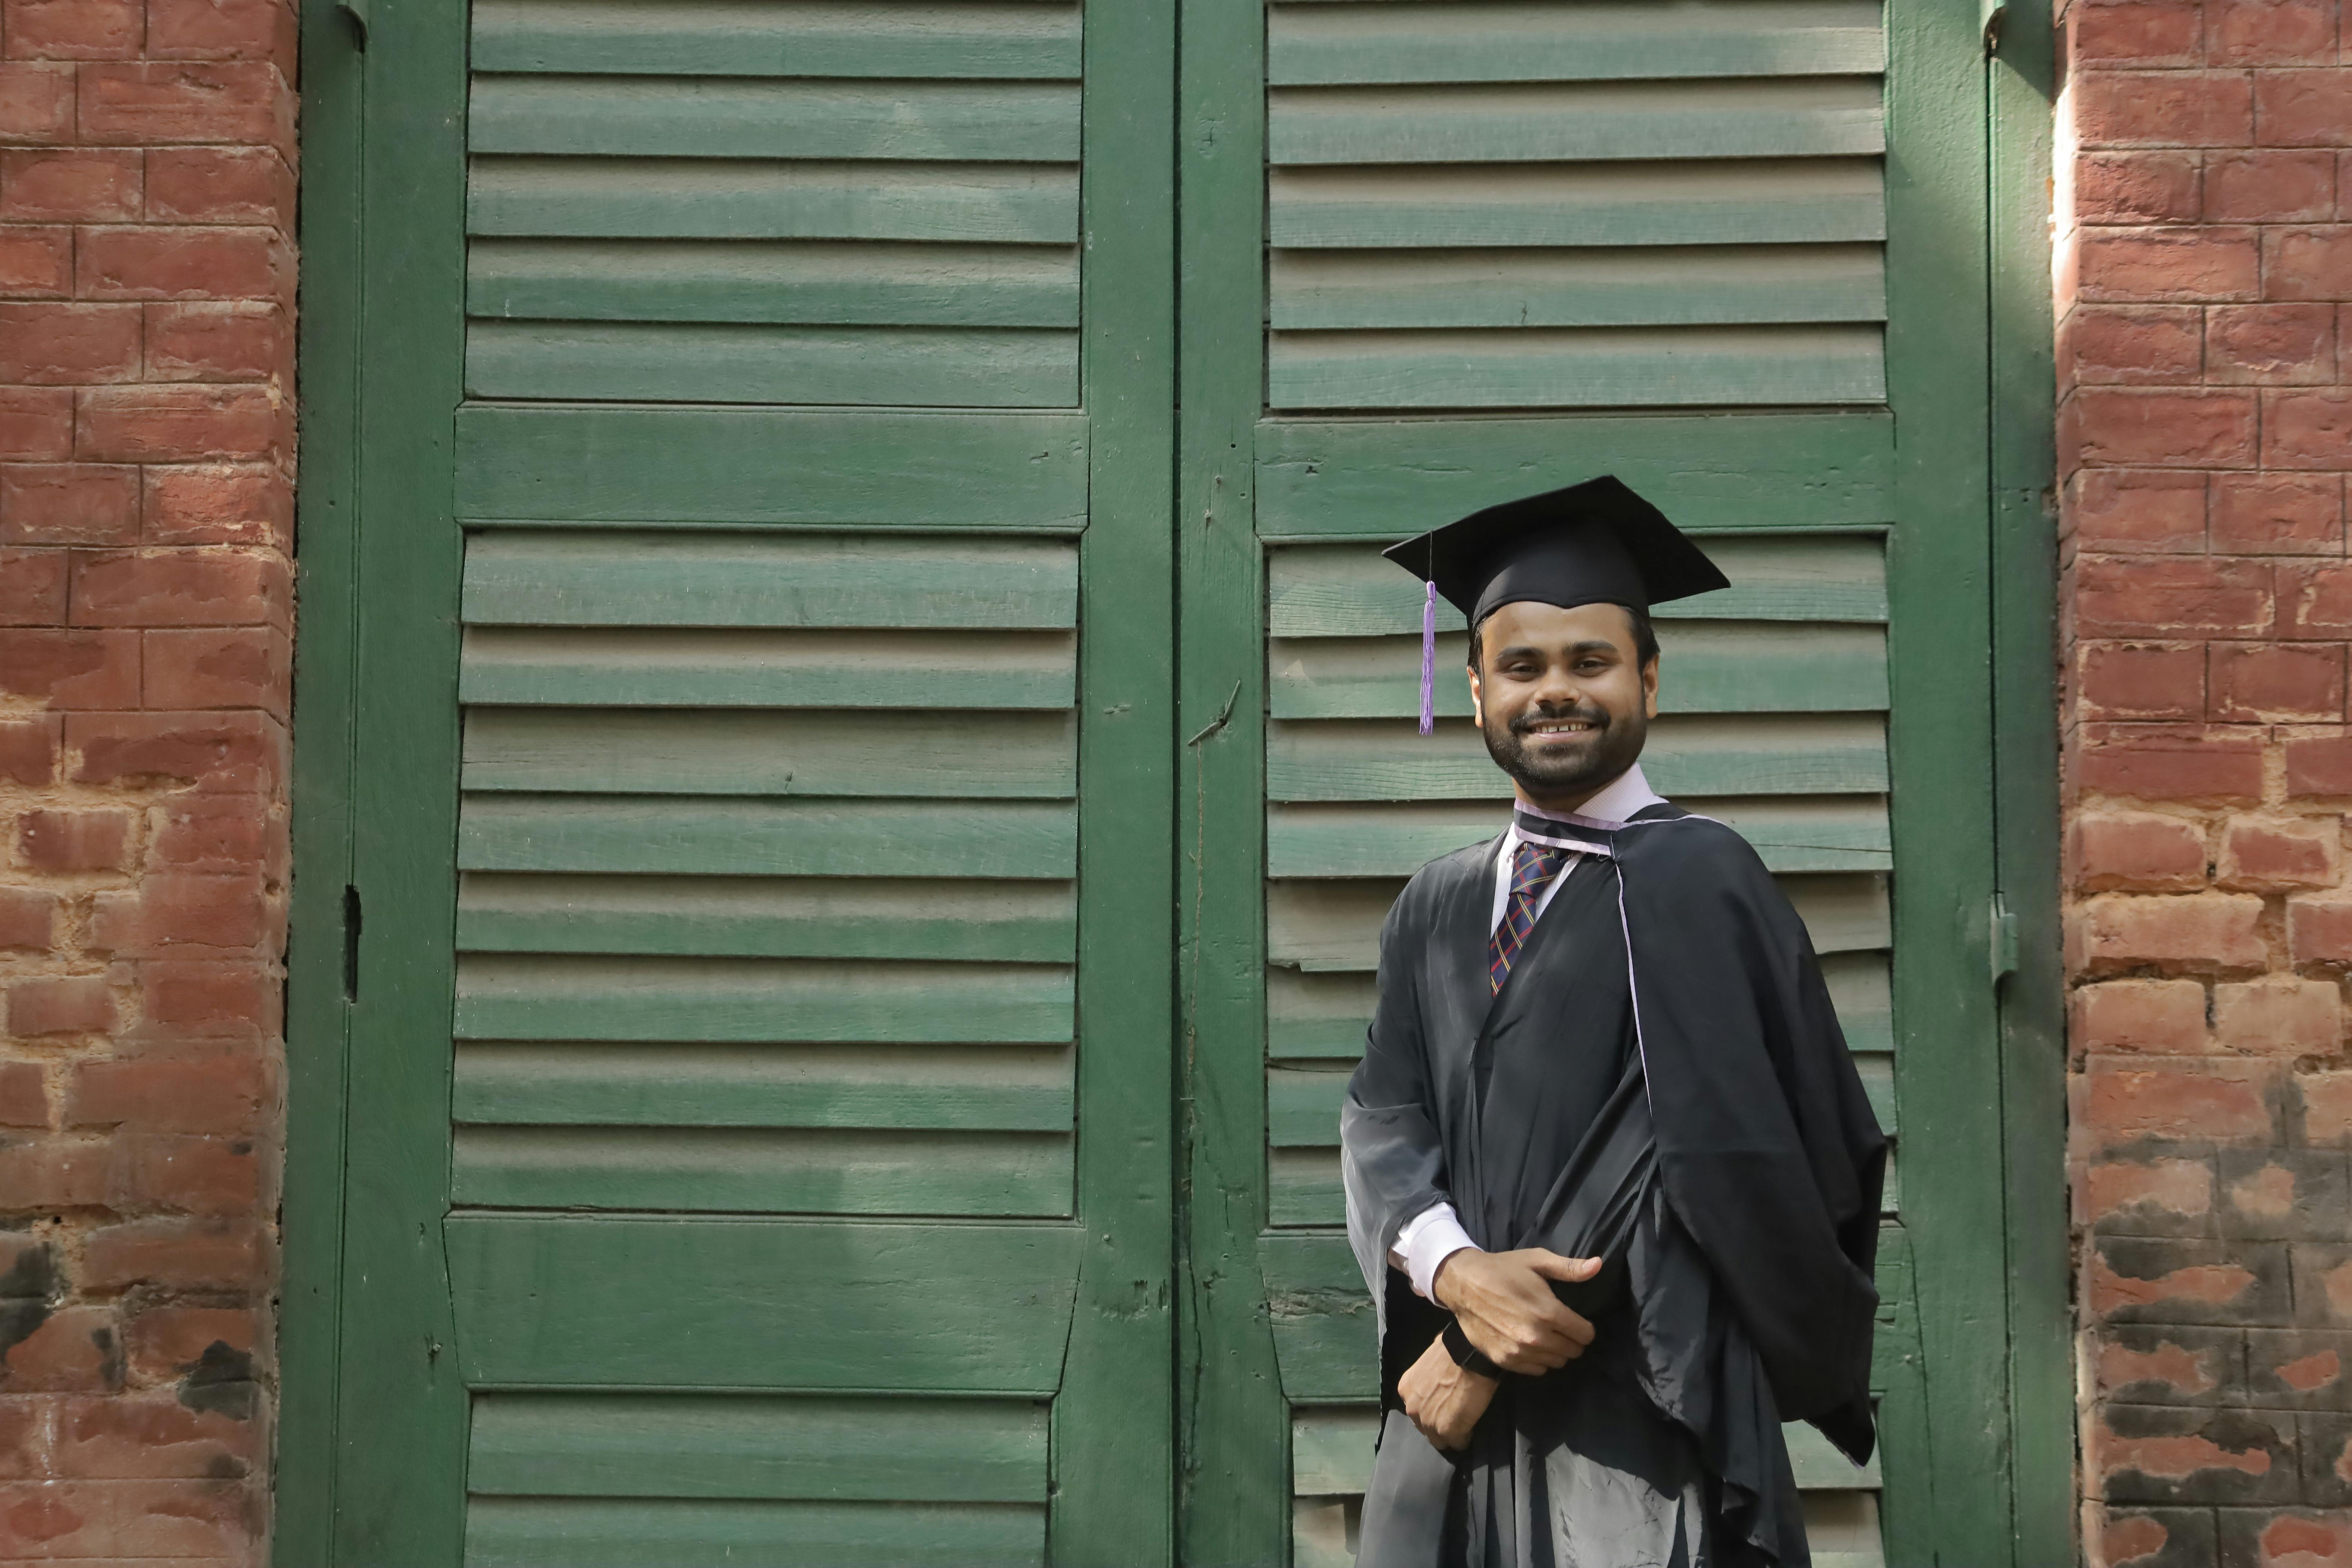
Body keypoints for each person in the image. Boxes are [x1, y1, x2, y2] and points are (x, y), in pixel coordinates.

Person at [1341, 476, 1888, 1568]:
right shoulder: (1438, 902)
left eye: (1590, 663)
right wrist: (1452, 1272)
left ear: (1647, 677)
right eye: (1524, 667)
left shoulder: (1699, 878)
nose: (1557, 692)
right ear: (1477, 685)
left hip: (1638, 1413)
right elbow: (1382, 1120)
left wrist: (1489, 1343)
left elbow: (1720, 1157)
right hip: (1454, 1420)